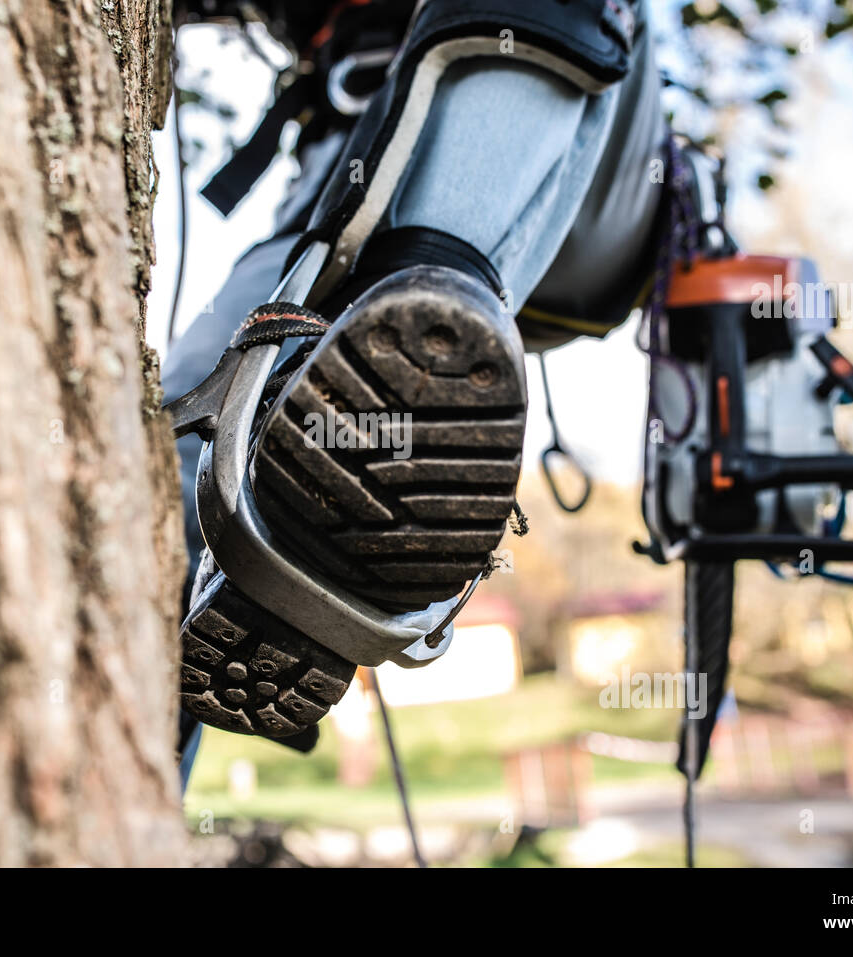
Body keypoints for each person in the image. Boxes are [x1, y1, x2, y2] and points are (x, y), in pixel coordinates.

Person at [165, 0, 671, 772]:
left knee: (174, 468)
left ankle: (403, 329)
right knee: (165, 482)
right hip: (465, 156)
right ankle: (338, 439)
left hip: (468, 113)